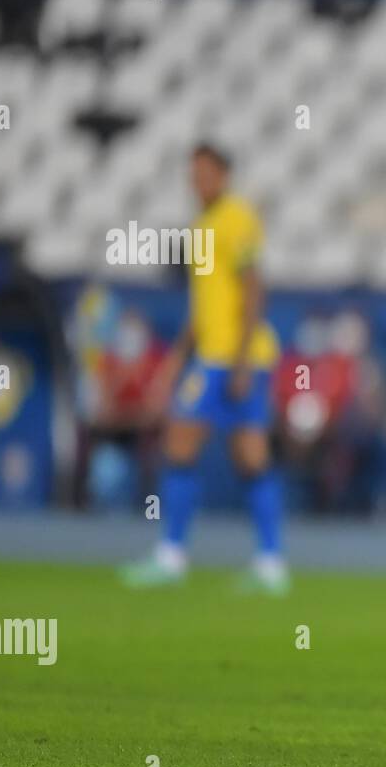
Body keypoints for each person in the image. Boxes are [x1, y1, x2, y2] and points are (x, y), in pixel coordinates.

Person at [120, 143, 289, 595]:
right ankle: (257, 562)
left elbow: (254, 291)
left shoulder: (238, 218)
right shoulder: (199, 227)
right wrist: (175, 360)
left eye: (206, 173)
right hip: (211, 355)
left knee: (221, 452)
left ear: (224, 175)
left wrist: (238, 362)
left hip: (234, 358)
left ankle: (192, 557)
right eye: (193, 173)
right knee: (222, 452)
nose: (198, 181)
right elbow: (204, 307)